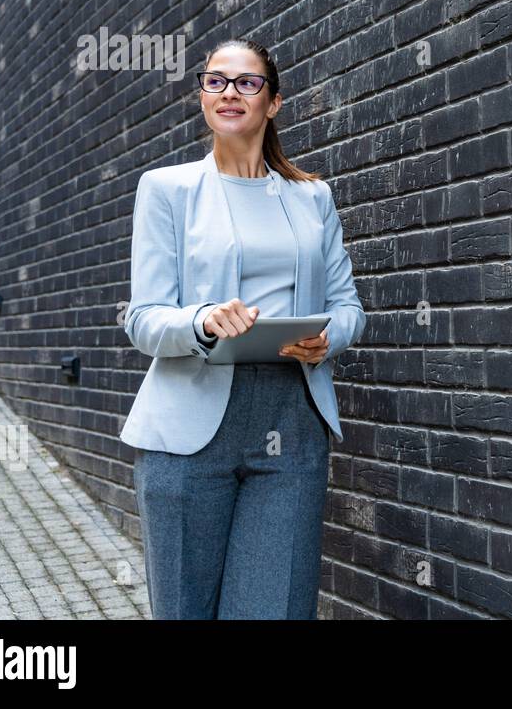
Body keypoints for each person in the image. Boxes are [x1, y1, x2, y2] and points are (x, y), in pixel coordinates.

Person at [120, 38, 365, 619]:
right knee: (185, 610)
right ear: (202, 95)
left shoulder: (313, 198)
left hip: (291, 425)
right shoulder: (166, 190)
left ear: (273, 102)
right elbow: (143, 319)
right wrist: (202, 321)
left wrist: (329, 338)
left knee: (273, 610)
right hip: (189, 426)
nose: (229, 91)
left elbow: (348, 304)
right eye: (215, 80)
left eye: (247, 82)